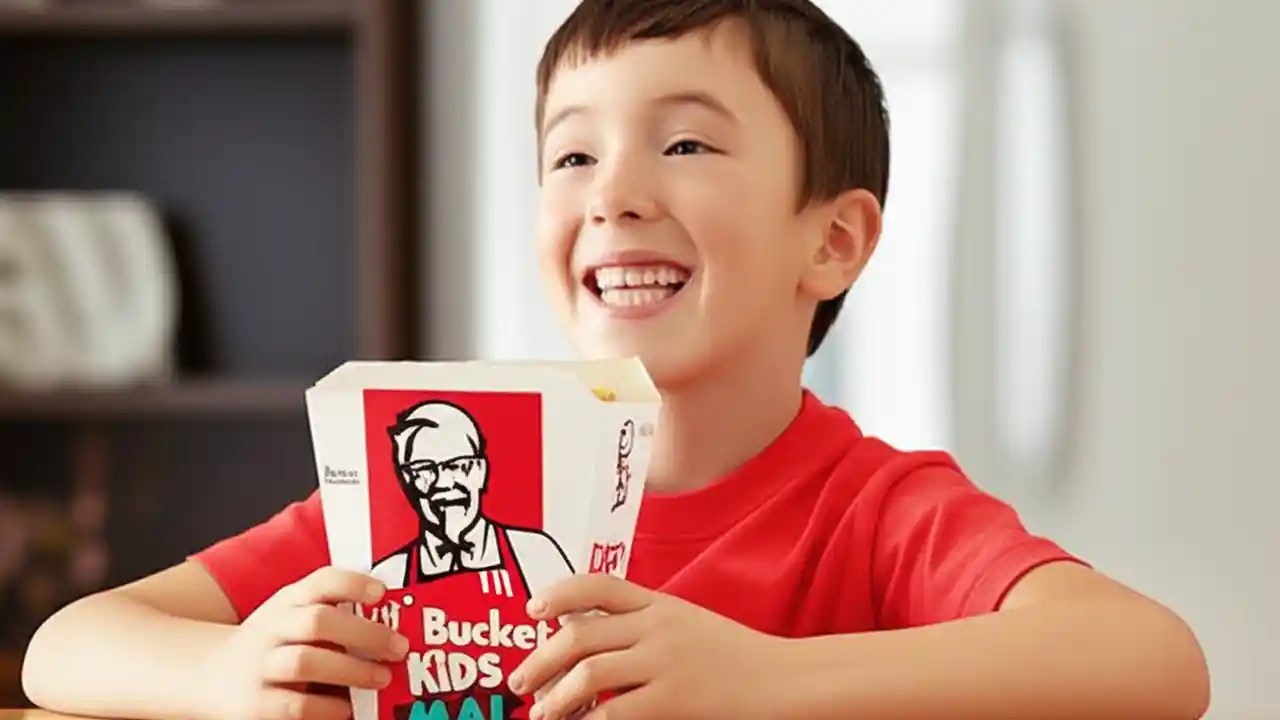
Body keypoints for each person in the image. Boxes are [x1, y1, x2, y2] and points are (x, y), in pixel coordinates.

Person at [21, 1, 1211, 719]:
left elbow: (1151, 663)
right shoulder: (426, 474)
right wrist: (231, 676)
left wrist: (760, 685)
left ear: (832, 241)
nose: (614, 196)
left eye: (684, 144)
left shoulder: (876, 511)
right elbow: (68, 643)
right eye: (572, 156)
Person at [371, 399, 574, 594]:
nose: (444, 483)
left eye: (458, 466)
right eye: (424, 470)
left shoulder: (537, 555)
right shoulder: (389, 576)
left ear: (481, 471)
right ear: (406, 480)